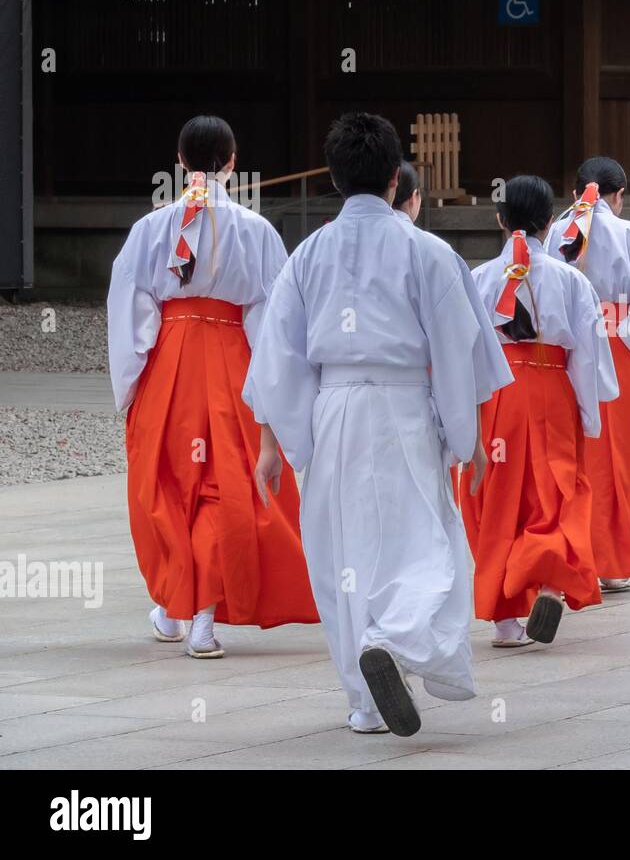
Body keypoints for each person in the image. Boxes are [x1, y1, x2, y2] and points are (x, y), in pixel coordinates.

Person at [244, 111, 512, 737]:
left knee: (342, 548)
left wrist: (276, 445)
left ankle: (364, 698)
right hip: (406, 409)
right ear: (397, 178)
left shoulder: (307, 254)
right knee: (421, 538)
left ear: (335, 179)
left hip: (335, 410)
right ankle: (390, 639)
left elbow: (276, 359)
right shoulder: (428, 251)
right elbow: (455, 348)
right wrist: (464, 436)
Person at [107, 115, 317, 660]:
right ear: (232, 161)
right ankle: (196, 614)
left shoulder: (150, 229)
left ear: (179, 161)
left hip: (169, 362)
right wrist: (274, 394)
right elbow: (273, 319)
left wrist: (129, 390)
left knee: (170, 485)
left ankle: (183, 607)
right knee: (222, 485)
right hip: (231, 360)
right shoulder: (257, 230)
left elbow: (131, 315)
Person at [461, 175, 617, 648]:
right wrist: (590, 413)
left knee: (497, 498)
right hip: (552, 387)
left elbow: (462, 350)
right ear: (550, 222)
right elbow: (588, 353)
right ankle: (548, 577)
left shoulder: (480, 278)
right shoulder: (571, 280)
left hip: (498, 394)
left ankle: (506, 620)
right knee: (558, 488)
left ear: (498, 218)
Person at [544, 157, 630, 594]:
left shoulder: (555, 236)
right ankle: (614, 562)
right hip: (618, 344)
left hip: (565, 346)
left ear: (575, 191)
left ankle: (570, 557)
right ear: (619, 196)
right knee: (619, 456)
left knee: (573, 454)